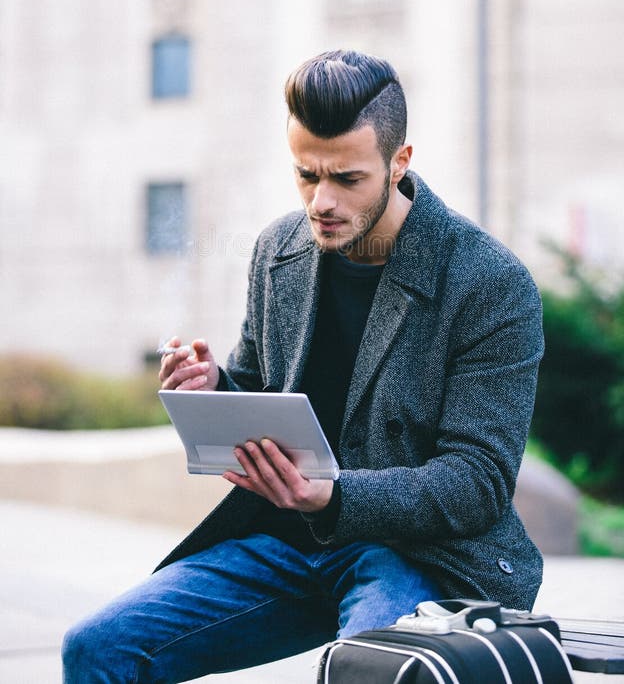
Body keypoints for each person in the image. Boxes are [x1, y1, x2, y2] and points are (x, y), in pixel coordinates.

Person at [63, 50, 544, 683]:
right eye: (306, 175)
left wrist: (336, 496)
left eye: (347, 178)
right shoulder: (278, 250)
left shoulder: (489, 282)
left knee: (367, 672)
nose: (321, 201)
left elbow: (477, 481)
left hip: (419, 555)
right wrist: (215, 388)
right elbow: (265, 389)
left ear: (400, 162)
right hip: (287, 543)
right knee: (95, 648)